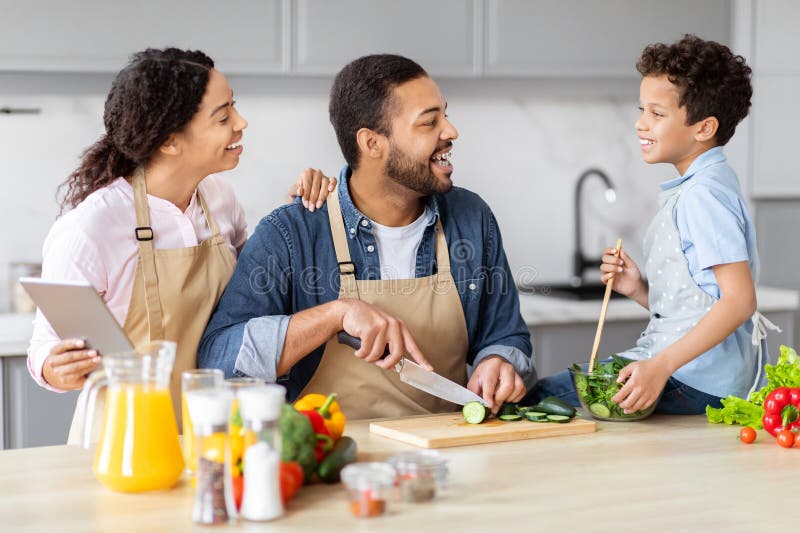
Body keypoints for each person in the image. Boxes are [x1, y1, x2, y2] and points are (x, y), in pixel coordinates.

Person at [199, 54, 535, 418]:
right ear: (372, 144)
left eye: (446, 115)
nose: (451, 131)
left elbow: (506, 334)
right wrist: (335, 315)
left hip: (446, 451)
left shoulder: (471, 218)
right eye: (429, 122)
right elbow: (219, 361)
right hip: (332, 460)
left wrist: (499, 360)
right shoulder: (292, 232)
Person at [27, 48, 332, 442]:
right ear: (171, 141)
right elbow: (45, 347)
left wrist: (299, 211)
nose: (241, 123)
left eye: (233, 108)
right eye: (223, 117)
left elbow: (255, 299)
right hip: (127, 442)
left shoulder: (220, 200)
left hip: (216, 435)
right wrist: (56, 367)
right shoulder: (91, 228)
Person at [530, 35, 775, 415]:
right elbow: (698, 304)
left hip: (694, 379)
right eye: (642, 109)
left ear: (704, 127)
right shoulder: (706, 185)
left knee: (540, 397)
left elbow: (740, 301)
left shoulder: (703, 196)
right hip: (699, 376)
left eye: (656, 114)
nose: (640, 123)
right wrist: (639, 288)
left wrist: (659, 366)